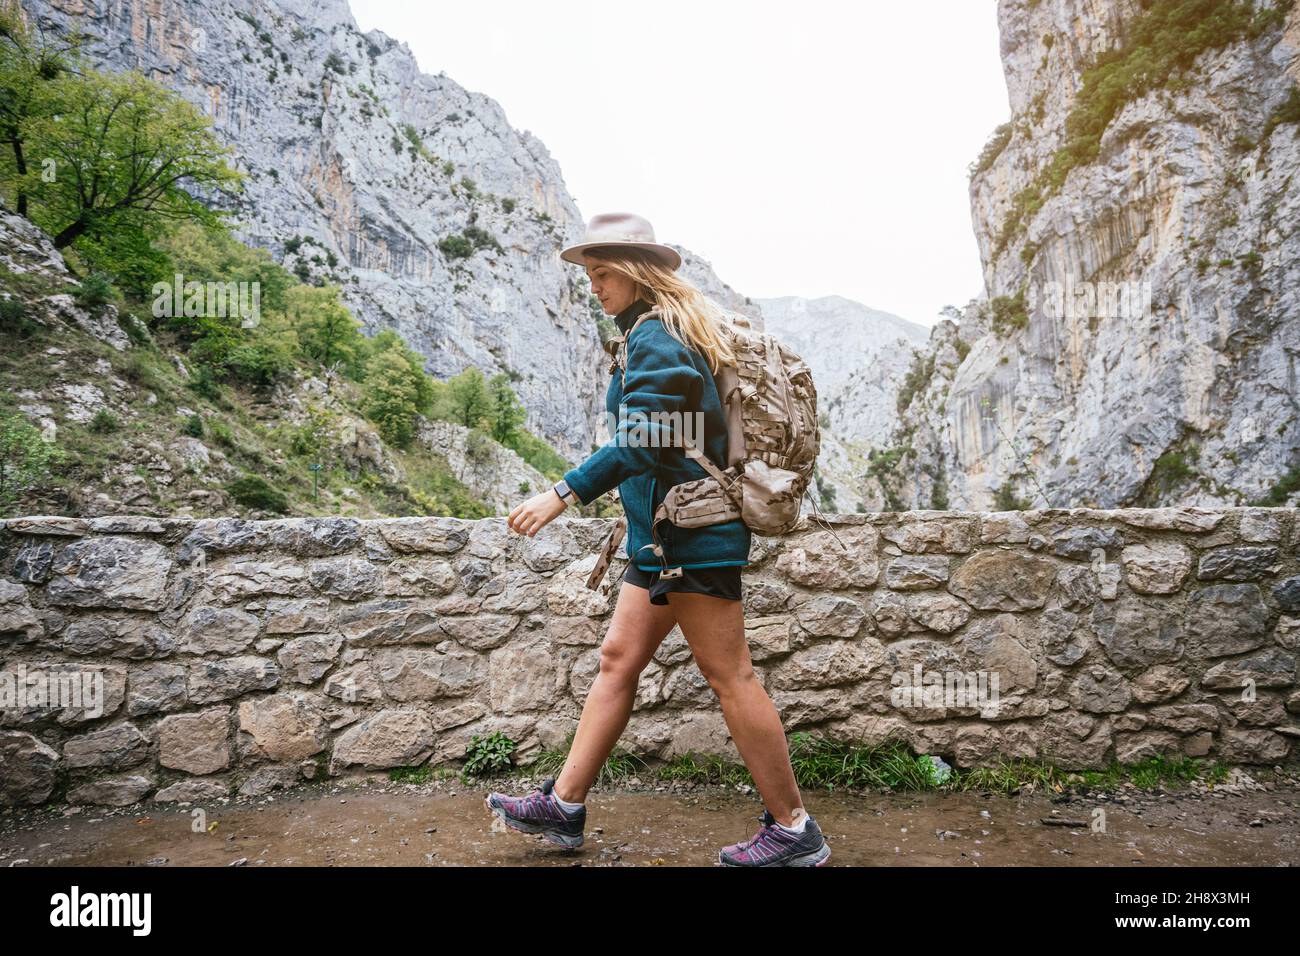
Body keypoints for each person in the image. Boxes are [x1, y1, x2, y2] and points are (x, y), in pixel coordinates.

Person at [486, 211, 830, 867]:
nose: (594, 285)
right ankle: (564, 806)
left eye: (603, 272)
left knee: (730, 675)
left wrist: (561, 493)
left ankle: (794, 829)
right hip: (661, 541)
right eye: (589, 274)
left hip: (693, 539)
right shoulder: (654, 333)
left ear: (636, 271)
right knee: (619, 658)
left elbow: (644, 440)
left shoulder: (659, 339)